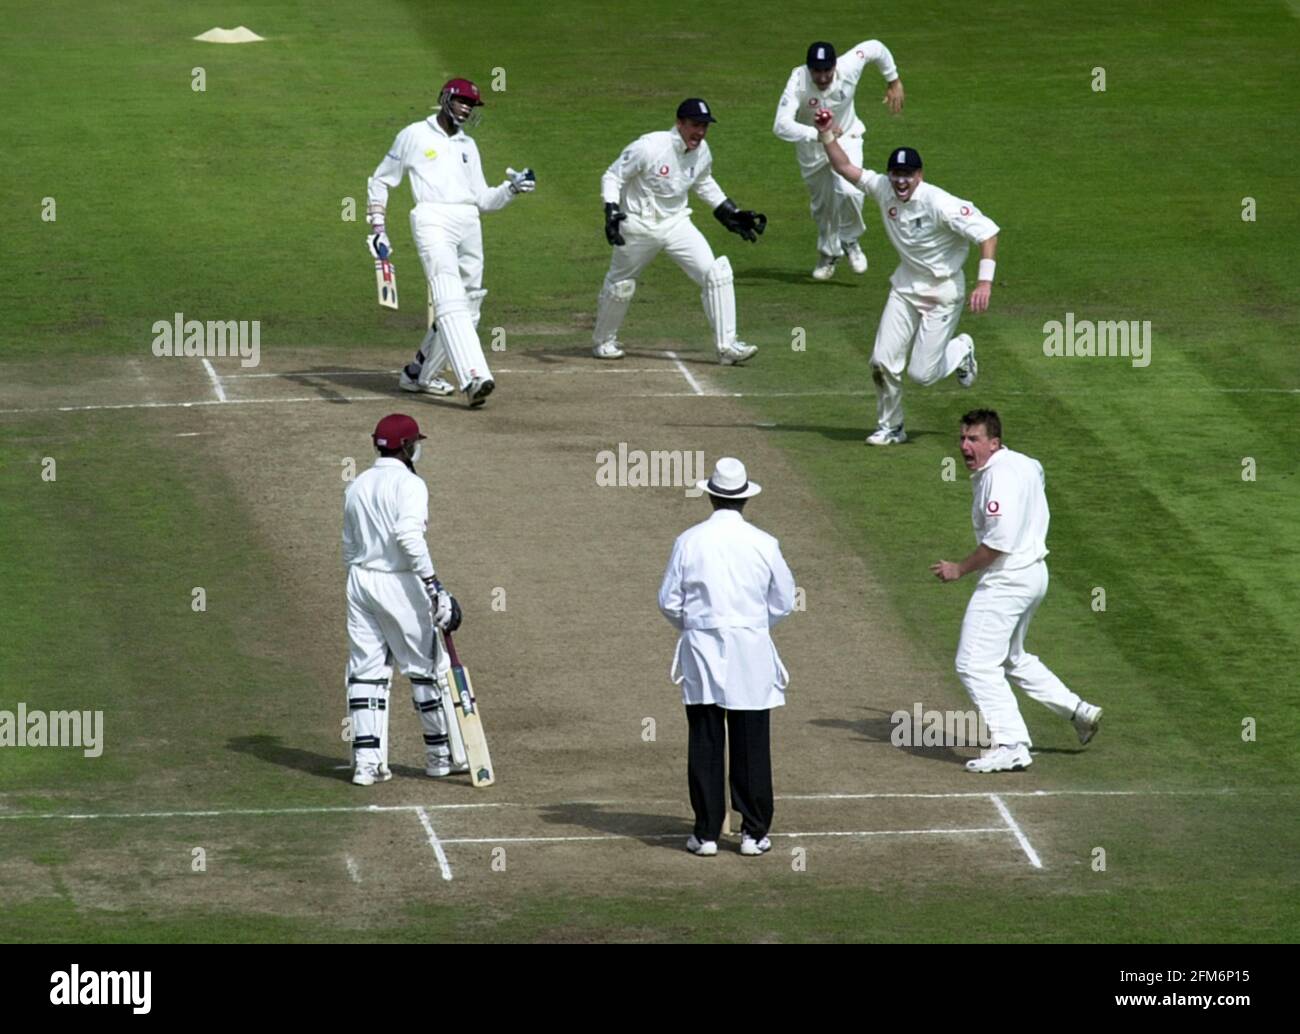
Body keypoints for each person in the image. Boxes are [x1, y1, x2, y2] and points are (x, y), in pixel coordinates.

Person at [930, 410, 1102, 773]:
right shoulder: (1025, 464)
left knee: (973, 664)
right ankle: (1078, 711)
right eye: (962, 438)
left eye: (974, 439)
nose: (964, 446)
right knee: (1011, 657)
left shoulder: (998, 479)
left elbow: (999, 543)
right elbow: (1037, 477)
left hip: (1008, 579)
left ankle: (1012, 744)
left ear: (994, 442)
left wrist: (958, 569)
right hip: (1034, 573)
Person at [816, 110, 999, 446]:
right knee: (881, 362)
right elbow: (844, 167)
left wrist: (984, 282)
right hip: (905, 287)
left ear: (920, 175)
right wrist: (827, 133)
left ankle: (961, 349)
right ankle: (892, 426)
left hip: (943, 291)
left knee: (921, 374)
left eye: (908, 175)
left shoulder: (939, 203)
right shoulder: (883, 187)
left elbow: (988, 233)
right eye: (896, 174)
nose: (900, 181)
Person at [365, 78, 536, 409]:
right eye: (462, 101)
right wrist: (378, 227)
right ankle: (474, 376)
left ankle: (420, 375)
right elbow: (381, 180)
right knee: (448, 294)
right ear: (444, 98)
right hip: (431, 218)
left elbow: (483, 199)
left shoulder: (467, 146)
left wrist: (511, 189)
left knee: (470, 304)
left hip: (469, 220)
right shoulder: (413, 135)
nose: (467, 108)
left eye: (471, 105)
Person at [658, 458, 797, 856]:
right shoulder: (764, 543)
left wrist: (698, 624)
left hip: (702, 645)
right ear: (744, 499)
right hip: (749, 646)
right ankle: (753, 833)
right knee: (751, 737)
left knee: (705, 736)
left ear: (711, 496)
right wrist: (752, 623)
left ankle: (705, 835)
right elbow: (784, 600)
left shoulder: (689, 540)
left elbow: (668, 601)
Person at [343, 413, 468, 785]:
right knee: (424, 669)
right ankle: (439, 756)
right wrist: (434, 586)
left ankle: (367, 763)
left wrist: (361, 583)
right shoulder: (411, 485)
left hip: (359, 580)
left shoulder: (357, 485)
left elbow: (348, 546)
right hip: (399, 584)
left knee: (365, 673)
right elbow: (408, 537)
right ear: (407, 447)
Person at [594, 99, 765, 365]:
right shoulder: (649, 147)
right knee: (620, 286)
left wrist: (729, 210)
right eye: (695, 125)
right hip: (638, 225)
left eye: (705, 126)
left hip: (676, 223)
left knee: (716, 273)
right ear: (679, 124)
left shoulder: (702, 151)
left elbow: (703, 181)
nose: (700, 132)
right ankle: (604, 341)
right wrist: (611, 210)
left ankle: (727, 346)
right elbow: (613, 176)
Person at [773, 39, 904, 281]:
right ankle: (828, 253)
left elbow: (876, 47)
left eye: (826, 70)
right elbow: (780, 125)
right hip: (812, 147)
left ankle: (850, 239)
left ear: (834, 66)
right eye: (816, 71)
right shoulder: (799, 80)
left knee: (851, 192)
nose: (822, 77)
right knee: (823, 208)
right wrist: (821, 135)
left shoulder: (849, 65)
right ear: (809, 68)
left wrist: (893, 79)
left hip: (848, 137)